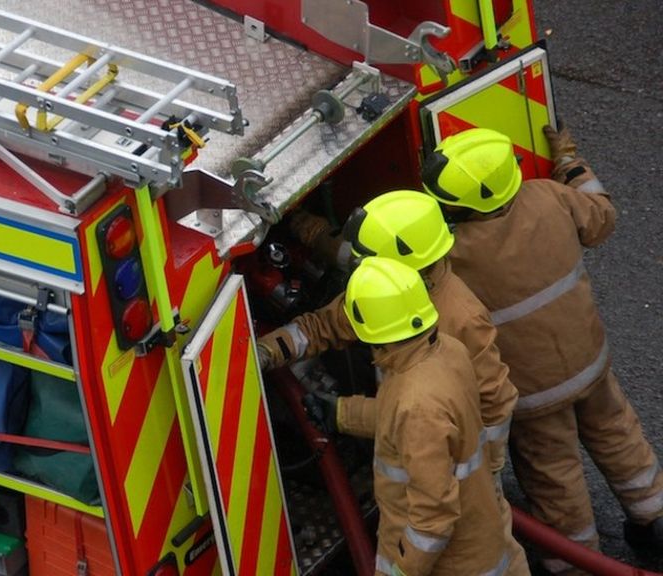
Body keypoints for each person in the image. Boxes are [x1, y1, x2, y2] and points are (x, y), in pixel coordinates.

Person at [421, 126, 663, 573]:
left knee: (555, 478)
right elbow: (602, 217)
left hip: (534, 398)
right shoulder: (550, 196)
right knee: (619, 434)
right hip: (590, 362)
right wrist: (569, 160)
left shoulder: (454, 254)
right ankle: (654, 515)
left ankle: (576, 561)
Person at [258, 190, 528, 574]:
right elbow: (331, 329)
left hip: (447, 547)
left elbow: (431, 517)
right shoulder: (436, 341)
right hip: (472, 516)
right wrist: (338, 411)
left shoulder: (456, 325)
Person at [342, 256, 508, 576]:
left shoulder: (415, 404)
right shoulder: (446, 351)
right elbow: (399, 419)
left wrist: (401, 572)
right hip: (478, 539)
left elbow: (432, 518)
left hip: (451, 566)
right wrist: (341, 413)